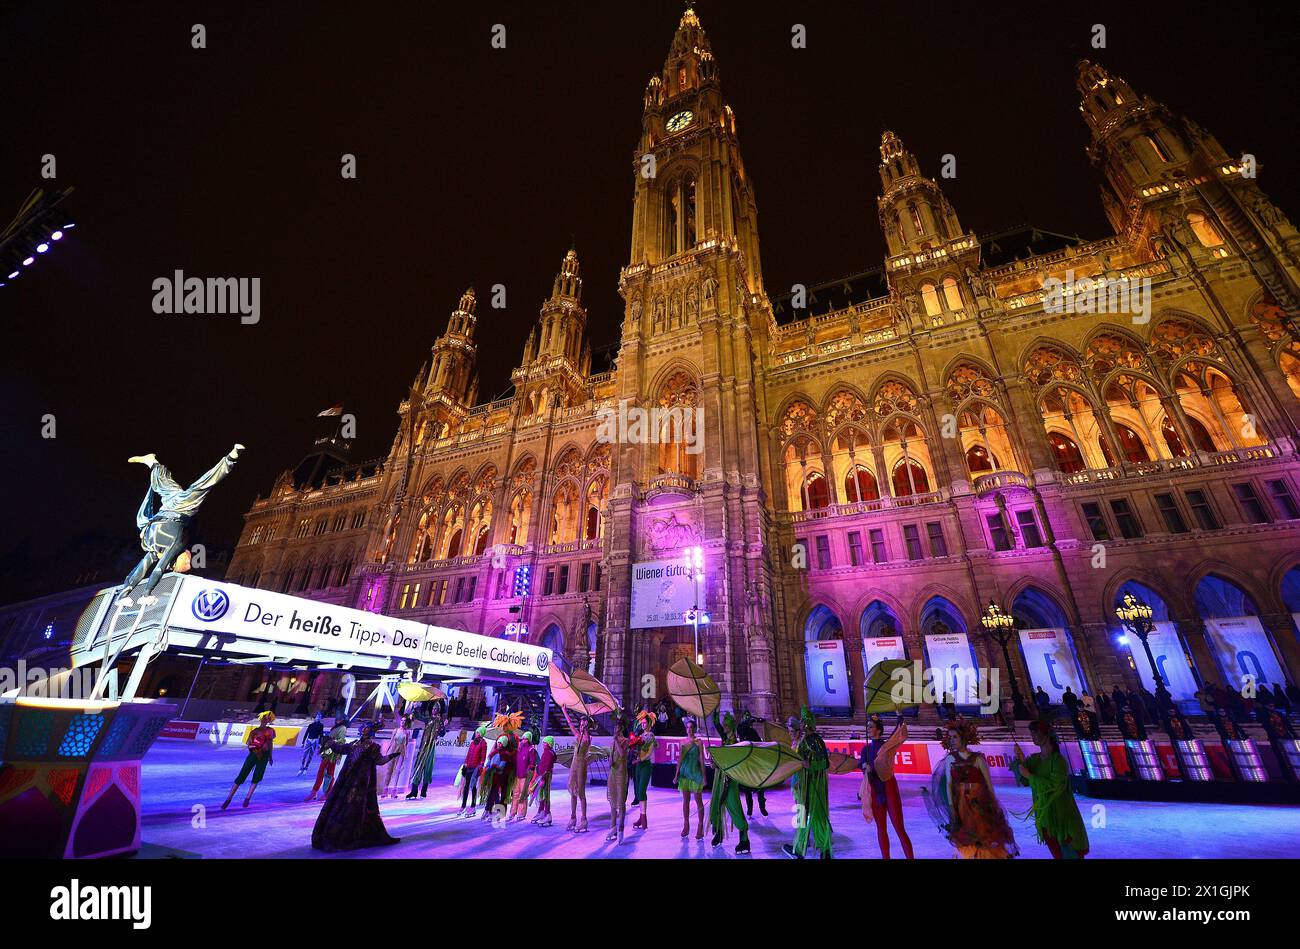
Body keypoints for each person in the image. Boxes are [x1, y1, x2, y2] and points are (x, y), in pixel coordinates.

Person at [119, 445, 242, 606]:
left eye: (187, 560)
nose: (190, 558)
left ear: (175, 561)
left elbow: (156, 568)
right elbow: (151, 568)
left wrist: (146, 592)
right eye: (190, 560)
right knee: (173, 485)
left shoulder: (173, 546)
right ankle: (153, 463)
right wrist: (144, 593)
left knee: (198, 487)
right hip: (168, 513)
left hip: (175, 511)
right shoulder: (166, 548)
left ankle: (229, 459)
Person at [922, 719, 1018, 859]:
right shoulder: (950, 759)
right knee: (967, 833)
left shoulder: (977, 759)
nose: (952, 740)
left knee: (983, 832)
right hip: (961, 804)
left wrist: (993, 805)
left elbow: (988, 784)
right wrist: (951, 807)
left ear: (964, 738)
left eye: (955, 737)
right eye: (950, 737)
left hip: (980, 802)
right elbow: (949, 784)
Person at [311, 720, 403, 852]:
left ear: (370, 730)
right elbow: (341, 749)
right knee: (341, 806)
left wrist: (391, 756)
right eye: (363, 727)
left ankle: (349, 836)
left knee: (352, 808)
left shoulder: (373, 747)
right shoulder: (355, 743)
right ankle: (336, 834)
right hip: (346, 780)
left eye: (366, 727)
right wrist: (330, 742)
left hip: (359, 783)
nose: (363, 729)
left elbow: (379, 761)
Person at [1014, 720, 1089, 858]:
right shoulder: (1034, 759)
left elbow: (1053, 787)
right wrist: (1019, 761)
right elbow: (1024, 780)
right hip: (1045, 819)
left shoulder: (1058, 761)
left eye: (1036, 733)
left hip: (1063, 818)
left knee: (1070, 853)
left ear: (1047, 735)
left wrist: (1029, 775)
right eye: (1032, 733)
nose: (1033, 736)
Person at [859, 711, 913, 859]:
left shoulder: (886, 746)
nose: (868, 729)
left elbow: (898, 733)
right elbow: (861, 762)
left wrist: (900, 716)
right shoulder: (866, 749)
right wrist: (864, 765)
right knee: (881, 829)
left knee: (899, 828)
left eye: (871, 726)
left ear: (878, 729)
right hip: (875, 790)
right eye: (868, 726)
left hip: (889, 787)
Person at [783, 707, 832, 859]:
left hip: (810, 786)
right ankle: (819, 850)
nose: (803, 723)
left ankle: (805, 850)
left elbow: (823, 763)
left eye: (805, 720)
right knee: (811, 818)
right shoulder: (812, 741)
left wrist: (809, 766)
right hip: (810, 786)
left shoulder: (811, 741)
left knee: (808, 818)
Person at [708, 709, 750, 854]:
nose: (724, 728)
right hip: (719, 778)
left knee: (734, 807)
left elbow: (733, 763)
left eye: (726, 726)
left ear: (731, 727)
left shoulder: (736, 743)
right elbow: (716, 725)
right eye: (724, 725)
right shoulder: (725, 740)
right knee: (716, 805)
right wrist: (714, 763)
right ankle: (718, 833)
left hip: (730, 781)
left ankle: (744, 839)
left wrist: (719, 762)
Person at [222, 711, 276, 809]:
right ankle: (229, 798)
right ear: (260, 719)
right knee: (242, 775)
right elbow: (248, 744)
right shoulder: (254, 731)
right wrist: (256, 748)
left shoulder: (270, 731)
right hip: (253, 754)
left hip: (263, 756)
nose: (265, 720)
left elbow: (270, 744)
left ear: (269, 720)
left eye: (267, 719)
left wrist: (270, 756)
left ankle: (248, 798)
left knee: (257, 776)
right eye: (263, 718)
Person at [674, 717, 707, 839]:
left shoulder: (698, 742)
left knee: (698, 800)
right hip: (684, 774)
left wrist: (704, 777)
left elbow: (702, 761)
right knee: (685, 801)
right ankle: (686, 824)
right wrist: (676, 774)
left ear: (694, 729)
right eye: (687, 727)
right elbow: (680, 760)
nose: (689, 729)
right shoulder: (682, 742)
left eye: (691, 727)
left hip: (695, 773)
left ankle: (700, 826)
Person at [406, 704, 443, 800]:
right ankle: (414, 792)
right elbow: (419, 717)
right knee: (418, 765)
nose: (434, 710)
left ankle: (423, 791)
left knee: (428, 767)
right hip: (423, 745)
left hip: (431, 747)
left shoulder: (440, 721)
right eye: (433, 708)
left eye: (436, 709)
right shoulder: (428, 719)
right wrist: (415, 707)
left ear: (438, 710)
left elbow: (442, 733)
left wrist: (443, 726)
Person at [307, 716, 349, 801]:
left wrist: (338, 755)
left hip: (333, 752)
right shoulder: (335, 727)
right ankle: (315, 791)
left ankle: (327, 793)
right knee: (321, 772)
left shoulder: (343, 728)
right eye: (337, 718)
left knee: (329, 773)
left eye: (339, 718)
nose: (337, 720)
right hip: (328, 751)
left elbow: (341, 741)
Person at [735, 711, 768, 817]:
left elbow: (759, 743)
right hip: (746, 763)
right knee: (747, 789)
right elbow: (742, 725)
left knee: (760, 786)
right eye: (747, 719)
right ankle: (749, 810)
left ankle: (762, 808)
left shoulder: (753, 732)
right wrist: (754, 719)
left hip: (754, 762)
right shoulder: (740, 730)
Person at [606, 711, 632, 844]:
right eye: (614, 728)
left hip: (622, 774)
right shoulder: (612, 742)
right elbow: (611, 760)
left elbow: (622, 755)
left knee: (621, 803)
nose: (615, 730)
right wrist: (610, 759)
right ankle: (613, 827)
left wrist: (616, 740)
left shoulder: (625, 741)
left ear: (621, 728)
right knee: (612, 802)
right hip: (613, 773)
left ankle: (621, 829)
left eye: (617, 727)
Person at [630, 712, 657, 831]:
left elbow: (649, 752)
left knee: (641, 791)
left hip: (645, 765)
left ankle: (644, 818)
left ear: (649, 724)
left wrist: (639, 759)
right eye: (642, 723)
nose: (643, 724)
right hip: (639, 765)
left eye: (645, 723)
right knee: (638, 791)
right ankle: (641, 817)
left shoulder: (650, 736)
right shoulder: (640, 736)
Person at [566, 715, 592, 833]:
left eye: (583, 724)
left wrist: (586, 729)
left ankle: (584, 820)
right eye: (580, 724)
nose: (581, 726)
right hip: (574, 765)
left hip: (581, 766)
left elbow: (586, 740)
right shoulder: (578, 735)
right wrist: (564, 710)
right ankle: (573, 817)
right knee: (573, 792)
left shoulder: (587, 737)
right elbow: (570, 724)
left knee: (581, 793)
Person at [379, 716, 412, 798]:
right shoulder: (395, 730)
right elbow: (391, 741)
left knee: (397, 770)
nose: (403, 722)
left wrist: (406, 754)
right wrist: (387, 751)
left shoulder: (407, 732)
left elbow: (406, 744)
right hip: (393, 750)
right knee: (389, 770)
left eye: (404, 721)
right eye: (402, 720)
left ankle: (394, 790)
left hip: (401, 751)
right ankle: (385, 790)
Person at [458, 726, 488, 816]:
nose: (476, 734)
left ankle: (473, 806)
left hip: (476, 768)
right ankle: (463, 806)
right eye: (476, 732)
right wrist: (465, 763)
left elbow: (483, 757)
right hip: (469, 767)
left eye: (478, 733)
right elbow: (468, 755)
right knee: (466, 786)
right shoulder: (472, 743)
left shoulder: (483, 744)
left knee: (473, 786)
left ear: (482, 734)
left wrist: (480, 766)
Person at [481, 735, 512, 819]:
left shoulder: (505, 754)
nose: (499, 744)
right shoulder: (494, 752)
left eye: (501, 743)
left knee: (495, 793)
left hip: (500, 776)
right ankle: (488, 809)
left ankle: (494, 810)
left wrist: (496, 767)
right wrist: (488, 766)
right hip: (492, 775)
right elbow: (489, 761)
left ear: (504, 744)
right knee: (492, 793)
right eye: (498, 742)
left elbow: (502, 765)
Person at [510, 731, 538, 822]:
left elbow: (532, 763)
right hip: (517, 775)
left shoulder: (531, 749)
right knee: (515, 794)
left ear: (529, 740)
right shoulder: (519, 748)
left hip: (525, 776)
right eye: (523, 738)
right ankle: (513, 812)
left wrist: (529, 772)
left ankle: (521, 812)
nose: (524, 740)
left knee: (523, 794)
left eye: (526, 739)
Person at [531, 735, 558, 826]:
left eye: (545, 743)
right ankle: (541, 812)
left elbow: (547, 767)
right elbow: (542, 766)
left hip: (545, 776)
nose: (543, 744)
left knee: (546, 795)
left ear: (550, 744)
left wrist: (542, 778)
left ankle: (547, 814)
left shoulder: (549, 754)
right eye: (543, 742)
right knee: (541, 795)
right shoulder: (546, 752)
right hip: (542, 775)